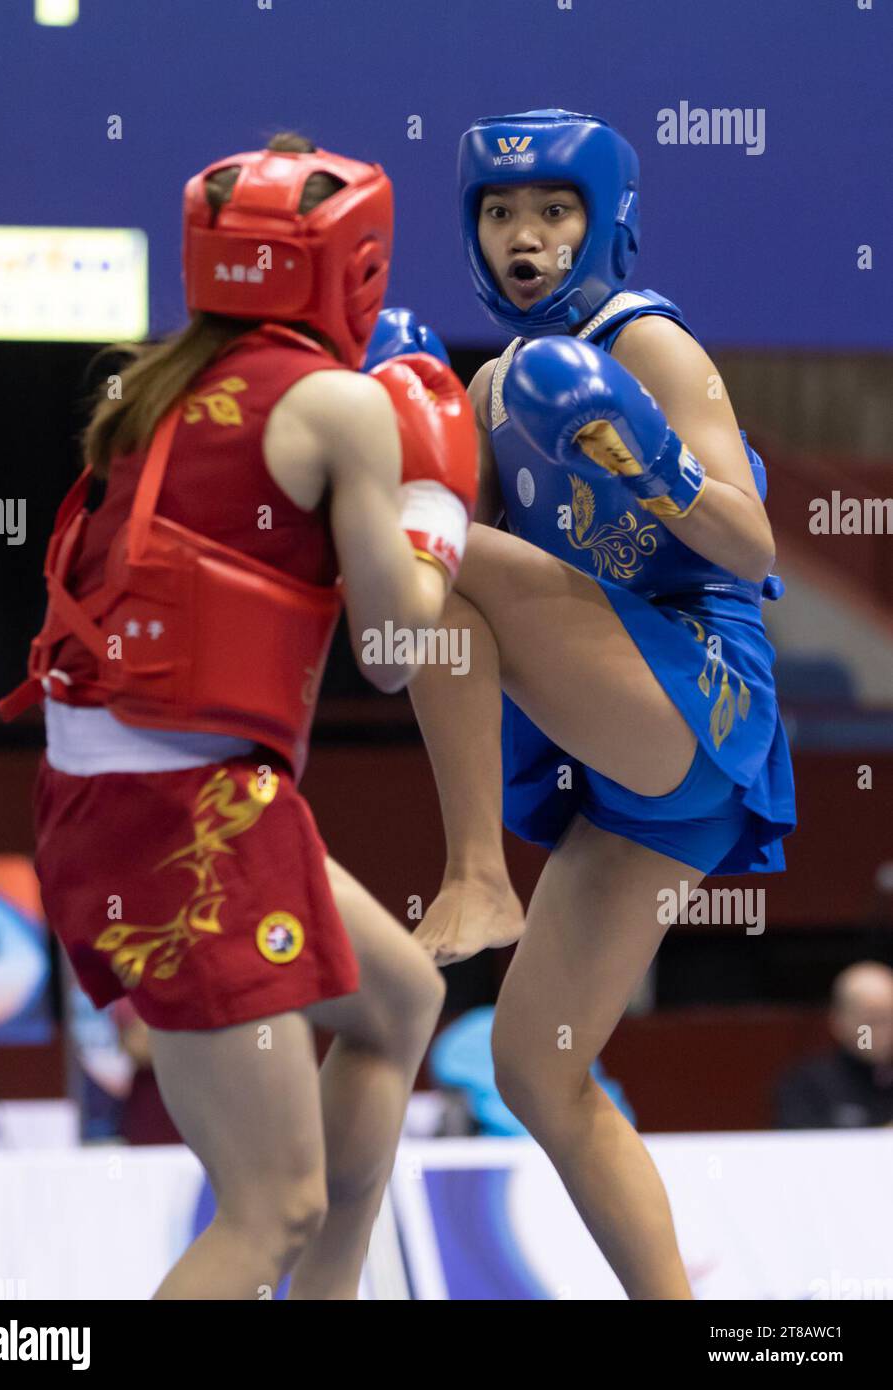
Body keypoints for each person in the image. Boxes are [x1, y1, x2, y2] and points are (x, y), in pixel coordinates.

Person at [0, 133, 477, 1299]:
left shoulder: (148, 387)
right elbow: (394, 647)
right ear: (349, 265)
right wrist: (435, 501)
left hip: (127, 798)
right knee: (269, 1210)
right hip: (185, 813)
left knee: (400, 1001)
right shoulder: (336, 405)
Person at [406, 109, 797, 1299]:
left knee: (440, 545)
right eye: (501, 212)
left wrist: (649, 459)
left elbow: (753, 540)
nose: (525, 236)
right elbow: (434, 605)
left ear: (604, 221)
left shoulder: (652, 343)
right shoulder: (486, 391)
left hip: (697, 686)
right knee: (537, 1066)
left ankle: (477, 870)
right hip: (618, 748)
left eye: (553, 210)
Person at [775, 962, 893, 1128]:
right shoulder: (807, 1085)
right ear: (838, 1021)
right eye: (871, 1020)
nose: (884, 1030)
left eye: (889, 1018)